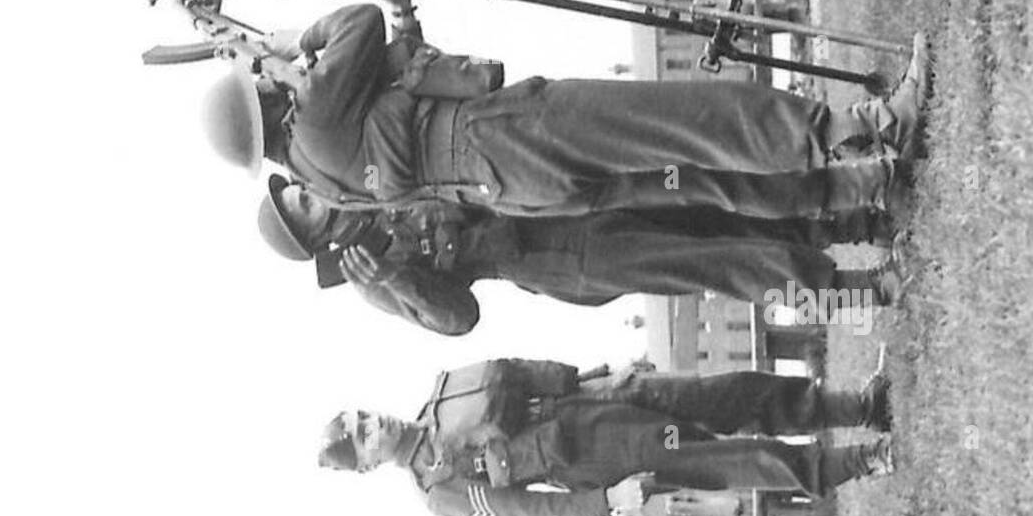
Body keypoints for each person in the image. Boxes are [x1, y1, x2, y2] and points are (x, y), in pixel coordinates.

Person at [202, 0, 931, 224]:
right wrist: (295, 41)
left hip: (513, 186)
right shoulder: (314, 113)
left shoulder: (316, 174)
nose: (266, 72)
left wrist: (405, 21)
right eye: (259, 79)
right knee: (682, 122)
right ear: (265, 101)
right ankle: (867, 125)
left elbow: (394, 86)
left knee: (691, 175)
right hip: (510, 135)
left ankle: (866, 182)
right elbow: (356, 23)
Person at [257, 174, 913, 336]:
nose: (313, 192)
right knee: (713, 262)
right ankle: (864, 293)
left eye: (303, 190)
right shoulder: (370, 276)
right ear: (315, 239)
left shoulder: (367, 185)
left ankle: (860, 222)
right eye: (304, 205)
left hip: (556, 197)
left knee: (703, 206)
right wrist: (400, 276)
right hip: (557, 255)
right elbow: (460, 318)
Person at [317, 357, 894, 516]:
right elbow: (530, 510)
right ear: (367, 465)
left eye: (363, 416)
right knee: (721, 460)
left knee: (726, 393)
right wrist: (607, 501)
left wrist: (595, 374)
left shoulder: (440, 393)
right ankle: (862, 461)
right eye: (364, 435)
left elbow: (520, 372)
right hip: (595, 453)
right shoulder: (438, 489)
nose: (375, 423)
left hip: (599, 397)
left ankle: (858, 407)